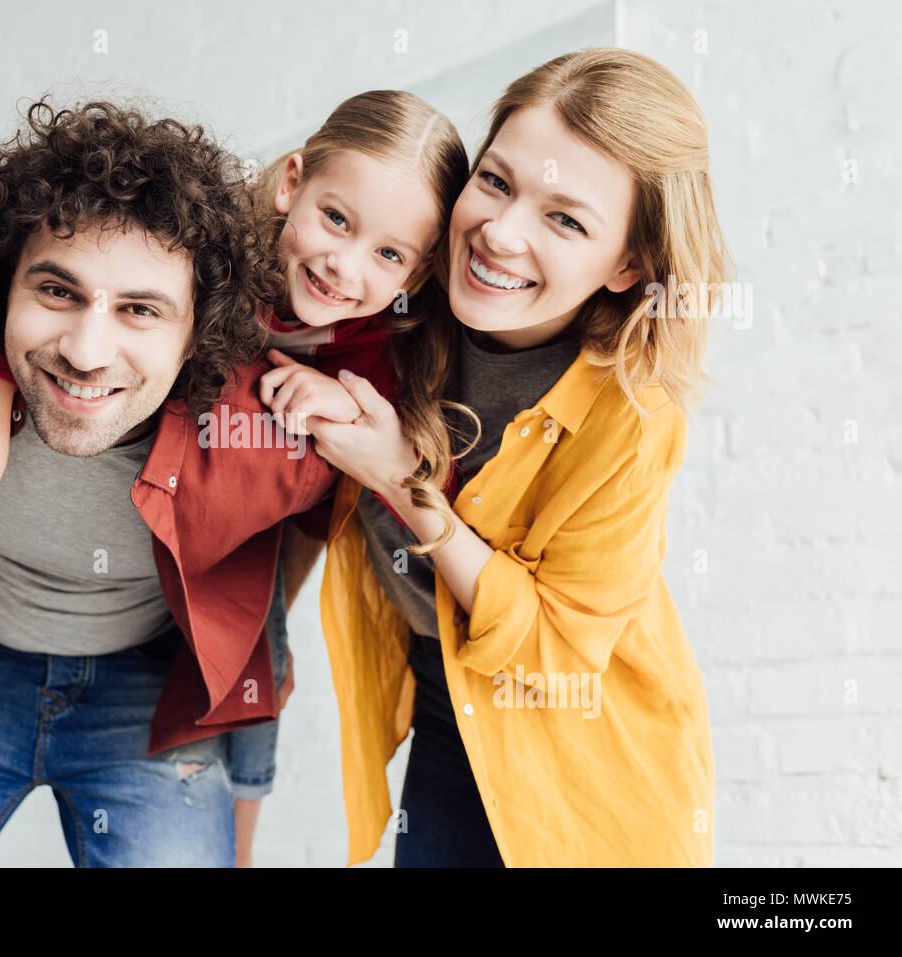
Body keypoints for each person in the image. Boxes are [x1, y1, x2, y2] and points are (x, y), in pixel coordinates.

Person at [0, 98, 339, 867]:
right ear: (1, 294)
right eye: (58, 291)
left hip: (147, 695)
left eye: (140, 309)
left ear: (200, 332)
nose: (87, 352)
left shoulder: (274, 439)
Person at [274, 49, 730, 866]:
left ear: (629, 264)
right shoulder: (394, 304)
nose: (500, 232)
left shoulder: (633, 414)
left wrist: (402, 482)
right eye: (496, 182)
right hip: (450, 709)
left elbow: (555, 649)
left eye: (566, 219)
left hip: (586, 746)